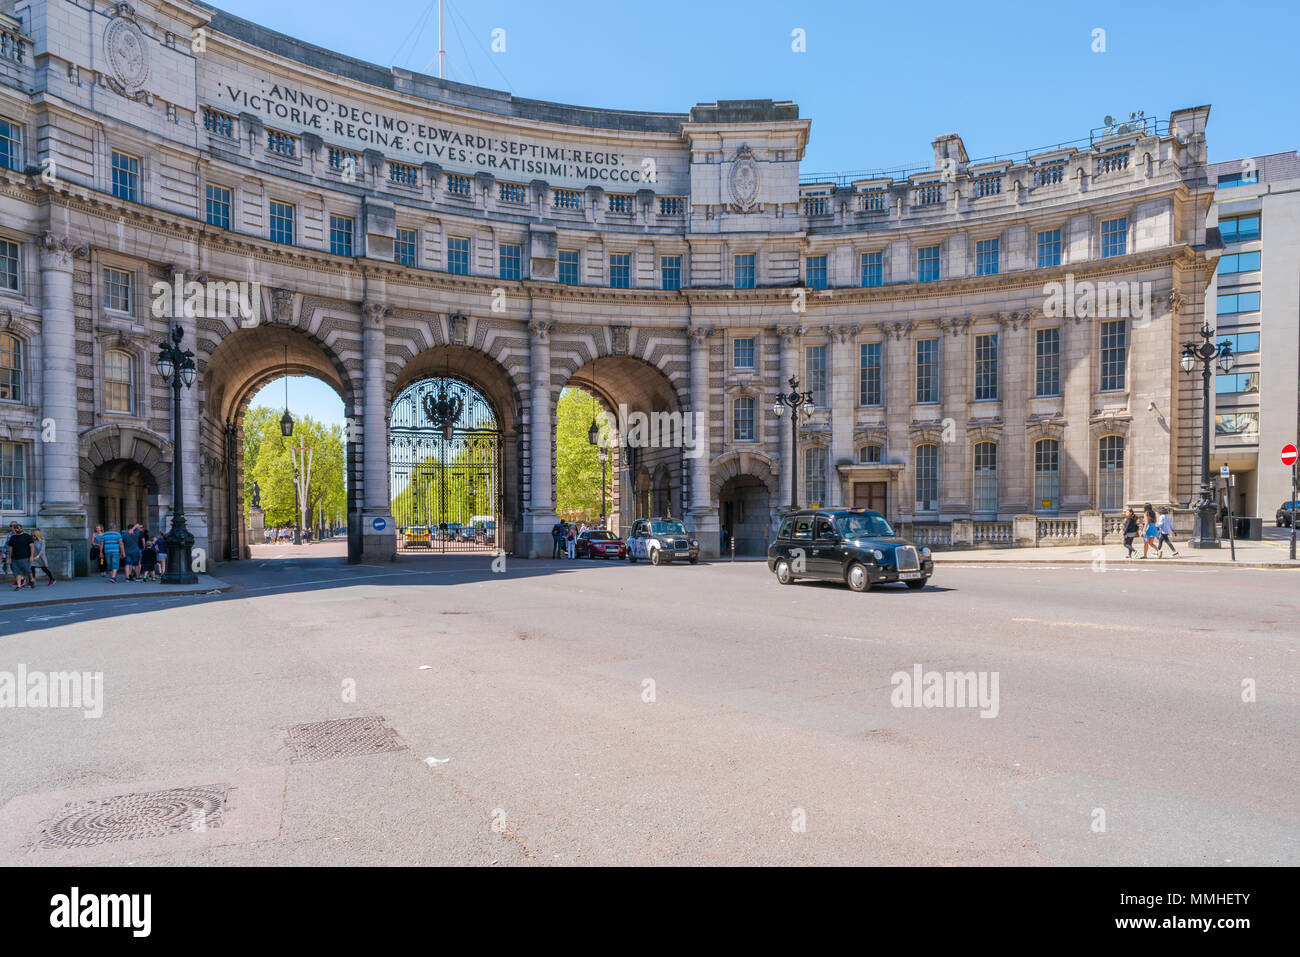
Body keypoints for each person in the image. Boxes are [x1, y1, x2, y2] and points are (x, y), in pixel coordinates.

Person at [6, 523, 33, 590]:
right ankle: (19, 586)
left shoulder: (27, 536)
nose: (19, 529)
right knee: (17, 572)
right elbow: (10, 548)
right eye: (17, 528)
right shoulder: (13, 537)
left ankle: (31, 580)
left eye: (20, 528)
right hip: (15, 558)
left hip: (25, 557)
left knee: (28, 571)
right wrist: (9, 558)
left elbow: (32, 546)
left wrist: (31, 556)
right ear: (15, 529)